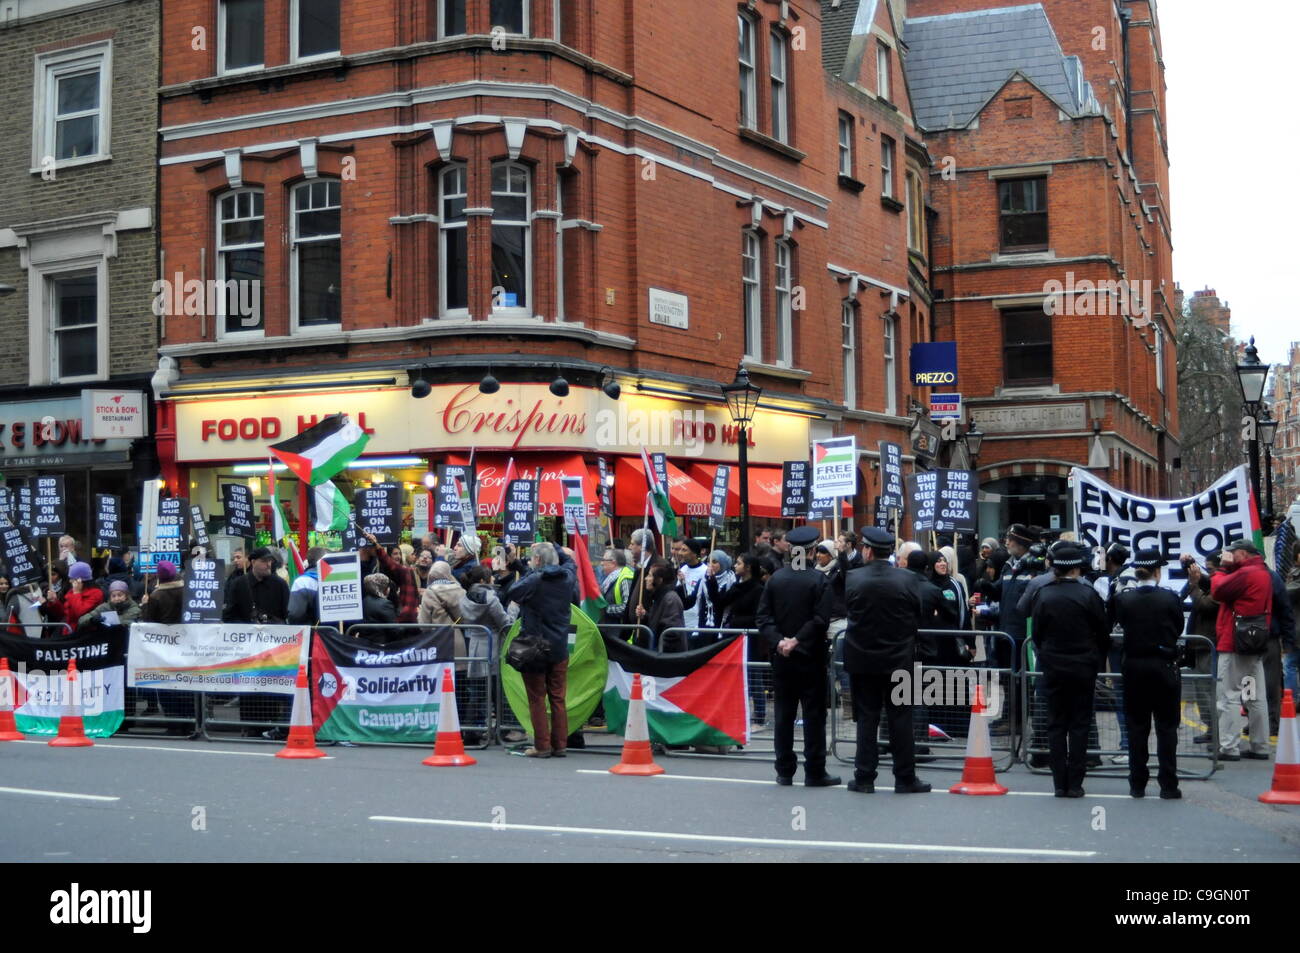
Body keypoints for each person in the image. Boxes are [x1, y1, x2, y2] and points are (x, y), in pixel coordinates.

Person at [841, 527, 929, 794]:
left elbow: (851, 610)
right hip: (899, 658)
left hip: (863, 659)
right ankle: (905, 777)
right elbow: (919, 612)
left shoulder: (853, 578)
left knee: (867, 719)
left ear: (867, 550)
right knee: (901, 719)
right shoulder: (908, 579)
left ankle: (864, 776)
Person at [756, 524, 839, 788]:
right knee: (814, 715)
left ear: (791, 550)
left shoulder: (777, 579)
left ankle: (784, 770)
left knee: (784, 714)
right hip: (810, 657)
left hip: (782, 657)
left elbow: (763, 618)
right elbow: (821, 619)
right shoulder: (818, 580)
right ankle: (814, 771)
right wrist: (797, 640)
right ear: (813, 551)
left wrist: (780, 640)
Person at [1029, 541, 1111, 797]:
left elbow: (1037, 634)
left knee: (1056, 724)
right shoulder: (1089, 595)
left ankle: (1059, 783)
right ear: (1076, 569)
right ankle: (1075, 783)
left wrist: (1048, 654)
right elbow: (1102, 632)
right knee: (1079, 724)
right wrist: (1095, 659)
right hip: (1083, 666)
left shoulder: (1043, 595)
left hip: (1053, 665)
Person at [1113, 550, 1184, 799]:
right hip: (1163, 665)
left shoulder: (1125, 599)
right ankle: (1168, 784)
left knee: (1136, 727)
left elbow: (1117, 620)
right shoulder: (1169, 598)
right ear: (1157, 571)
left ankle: (1137, 784)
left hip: (1133, 666)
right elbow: (1178, 627)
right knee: (1166, 728)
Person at [505, 542, 577, 758]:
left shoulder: (535, 579)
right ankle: (560, 745)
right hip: (559, 646)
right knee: (558, 698)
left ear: (536, 561)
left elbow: (514, 591)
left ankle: (542, 746)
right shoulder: (567, 577)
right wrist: (553, 545)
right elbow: (570, 561)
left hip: (534, 647)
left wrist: (531, 570)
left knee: (537, 698)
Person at [1211, 540, 1273, 761]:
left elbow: (1218, 590)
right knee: (1254, 696)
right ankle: (1260, 745)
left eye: (1233, 553)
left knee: (1228, 695)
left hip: (1234, 644)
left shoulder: (1246, 573)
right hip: (1254, 643)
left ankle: (1229, 747)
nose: (1228, 556)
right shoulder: (1262, 571)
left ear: (1243, 554)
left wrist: (1222, 569)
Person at [458, 565, 511, 745]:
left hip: (474, 645)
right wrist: (513, 609)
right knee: (497, 692)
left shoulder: (464, 597)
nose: (494, 579)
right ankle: (501, 731)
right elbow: (504, 622)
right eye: (491, 577)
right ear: (483, 581)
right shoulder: (491, 598)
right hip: (492, 645)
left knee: (476, 693)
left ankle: (471, 731)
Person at [141, 561, 192, 734]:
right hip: (186, 643)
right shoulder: (187, 591)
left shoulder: (156, 596)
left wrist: (145, 606)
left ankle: (173, 722)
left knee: (166, 684)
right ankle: (189, 721)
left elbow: (149, 622)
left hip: (164, 646)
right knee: (186, 682)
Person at [1180, 553, 1220, 744]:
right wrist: (1188, 566)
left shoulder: (1222, 586)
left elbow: (1205, 605)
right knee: (1200, 691)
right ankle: (1211, 728)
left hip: (1209, 644)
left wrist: (1195, 584)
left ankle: (1217, 730)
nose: (1207, 573)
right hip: (1199, 644)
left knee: (1209, 691)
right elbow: (1197, 582)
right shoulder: (1210, 581)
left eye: (1210, 569)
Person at [636, 563, 686, 651]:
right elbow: (658, 622)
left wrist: (658, 652)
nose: (646, 578)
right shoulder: (659, 597)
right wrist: (645, 615)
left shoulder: (670, 599)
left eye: (650, 576)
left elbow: (672, 632)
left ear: (659, 580)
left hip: (668, 657)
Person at [42, 561, 103, 629]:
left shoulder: (95, 593)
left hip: (82, 632)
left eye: (72, 579)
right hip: (68, 629)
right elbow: (65, 615)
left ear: (80, 580)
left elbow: (79, 613)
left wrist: (77, 593)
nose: (70, 581)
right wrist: (54, 602)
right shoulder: (72, 592)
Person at [372, 536, 420, 623]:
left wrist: (397, 622)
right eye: (395, 554)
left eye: (400, 554)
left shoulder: (406, 571)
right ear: (389, 555)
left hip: (402, 622)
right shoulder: (378, 574)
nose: (399, 556)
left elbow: (410, 605)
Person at [695, 550, 736, 631]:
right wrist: (682, 586)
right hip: (704, 626)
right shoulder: (703, 580)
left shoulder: (731, 582)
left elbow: (719, 602)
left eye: (714, 562)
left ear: (722, 564)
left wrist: (712, 581)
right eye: (708, 562)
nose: (710, 565)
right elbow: (690, 601)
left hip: (722, 626)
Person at [287, 547, 326, 625]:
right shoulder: (336, 579)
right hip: (339, 634)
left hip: (312, 633)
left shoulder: (302, 582)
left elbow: (295, 614)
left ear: (307, 562)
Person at [356, 573, 398, 642]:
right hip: (381, 644)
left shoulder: (364, 601)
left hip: (365, 643)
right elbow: (395, 630)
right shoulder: (385, 604)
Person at [599, 549, 635, 625]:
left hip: (620, 632)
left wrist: (605, 609)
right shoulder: (609, 579)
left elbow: (626, 608)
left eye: (604, 560)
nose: (601, 563)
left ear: (613, 563)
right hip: (610, 629)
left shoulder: (625, 578)